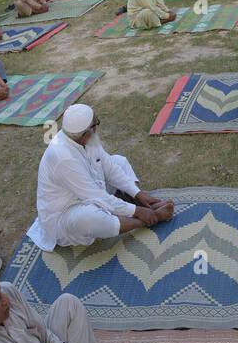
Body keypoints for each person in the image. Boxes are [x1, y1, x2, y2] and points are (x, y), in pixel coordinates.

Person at [26, 103, 174, 252]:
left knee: (119, 161)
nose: (97, 126)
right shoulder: (62, 157)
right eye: (95, 123)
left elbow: (109, 167)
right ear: (84, 133)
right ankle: (147, 219)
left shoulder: (83, 138)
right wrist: (138, 212)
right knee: (90, 218)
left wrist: (138, 193)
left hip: (89, 191)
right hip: (66, 214)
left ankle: (138, 205)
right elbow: (95, 196)